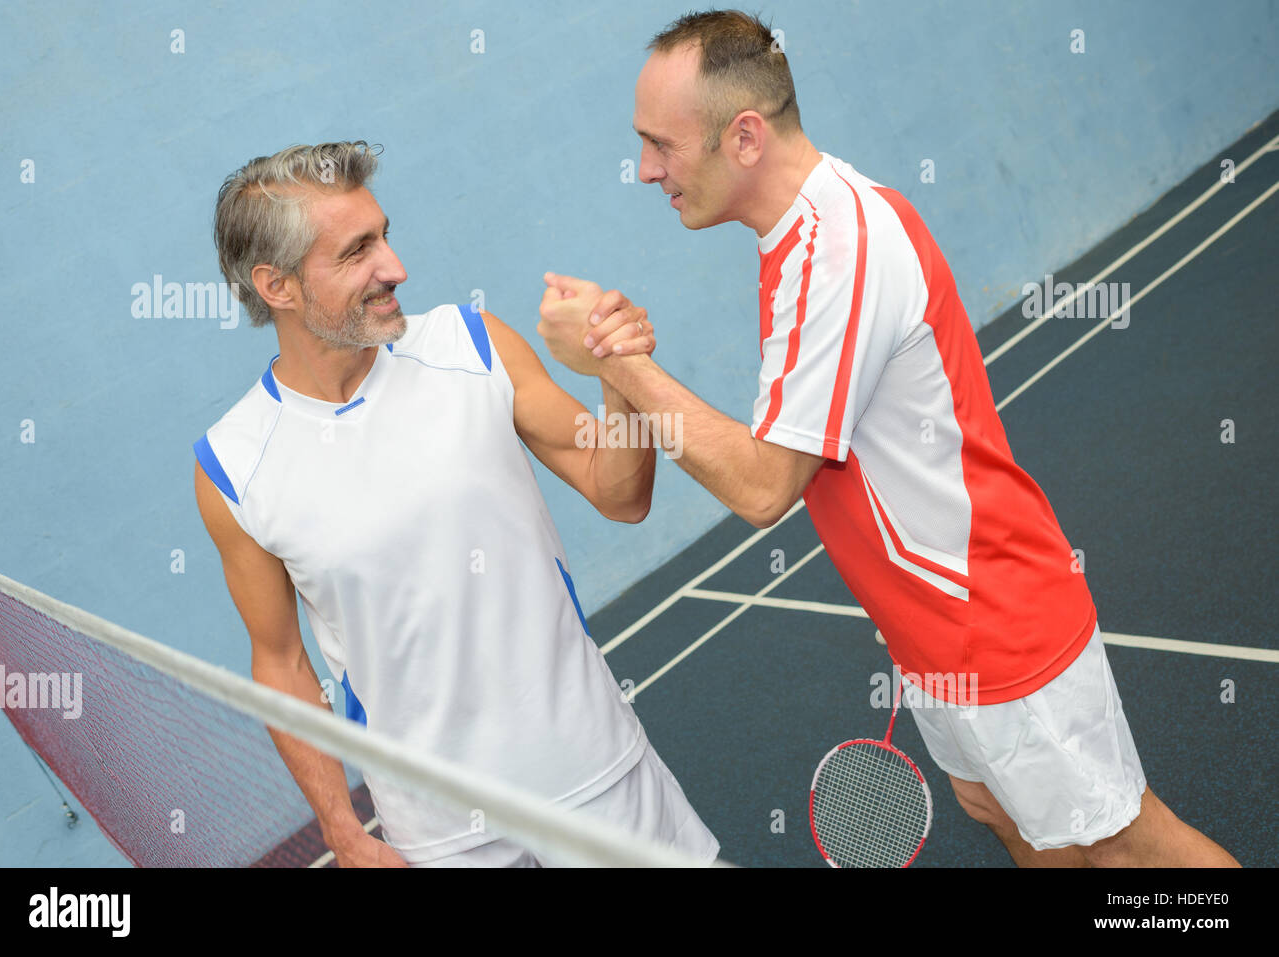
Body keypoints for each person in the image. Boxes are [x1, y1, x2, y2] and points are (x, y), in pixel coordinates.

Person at [535, 10, 1237, 867]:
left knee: (1128, 847)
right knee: (1010, 818)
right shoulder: (796, 240)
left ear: (745, 136)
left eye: (661, 145)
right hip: (932, 635)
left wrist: (617, 360)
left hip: (996, 615)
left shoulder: (841, 256)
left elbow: (763, 487)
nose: (646, 170)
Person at [192, 140, 717, 867]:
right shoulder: (233, 463)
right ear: (276, 285)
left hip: (598, 783)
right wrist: (343, 831)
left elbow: (619, 493)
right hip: (436, 837)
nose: (395, 267)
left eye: (385, 234)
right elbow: (281, 663)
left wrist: (616, 372)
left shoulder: (472, 346)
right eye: (357, 252)